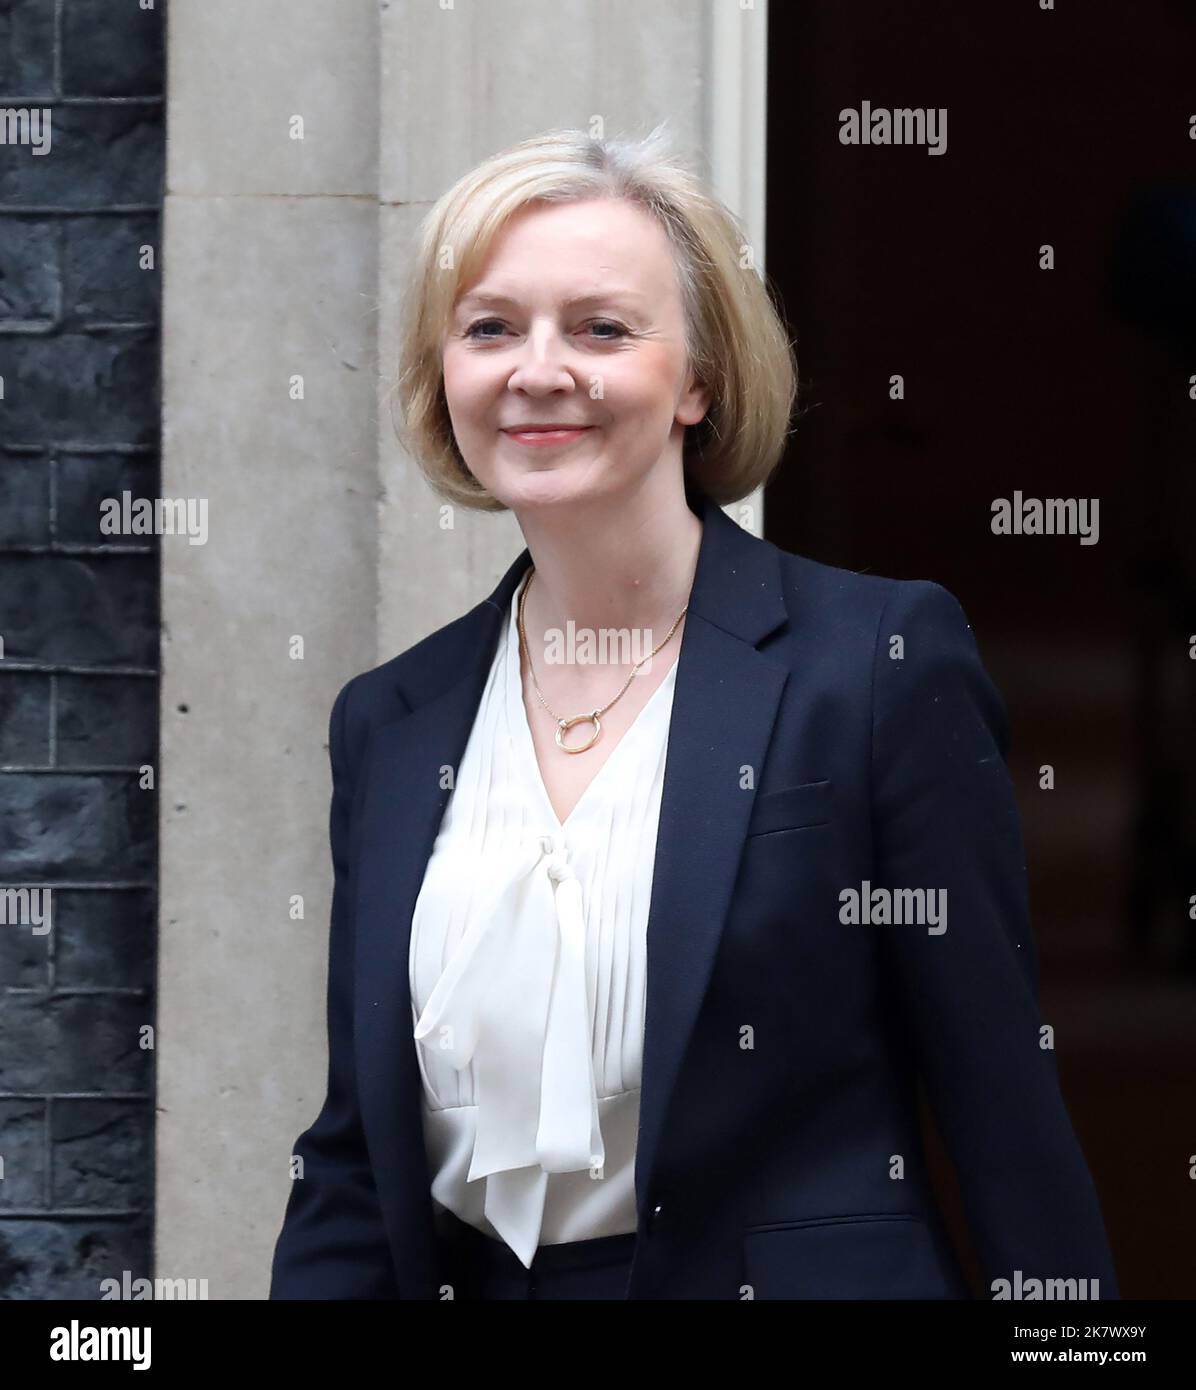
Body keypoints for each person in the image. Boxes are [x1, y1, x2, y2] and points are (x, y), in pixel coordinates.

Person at [269, 126, 1119, 1300]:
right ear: (443, 374)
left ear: (700, 379)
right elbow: (357, 1162)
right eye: (489, 327)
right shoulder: (389, 719)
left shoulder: (873, 663)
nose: (538, 368)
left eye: (602, 327)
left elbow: (995, 1096)